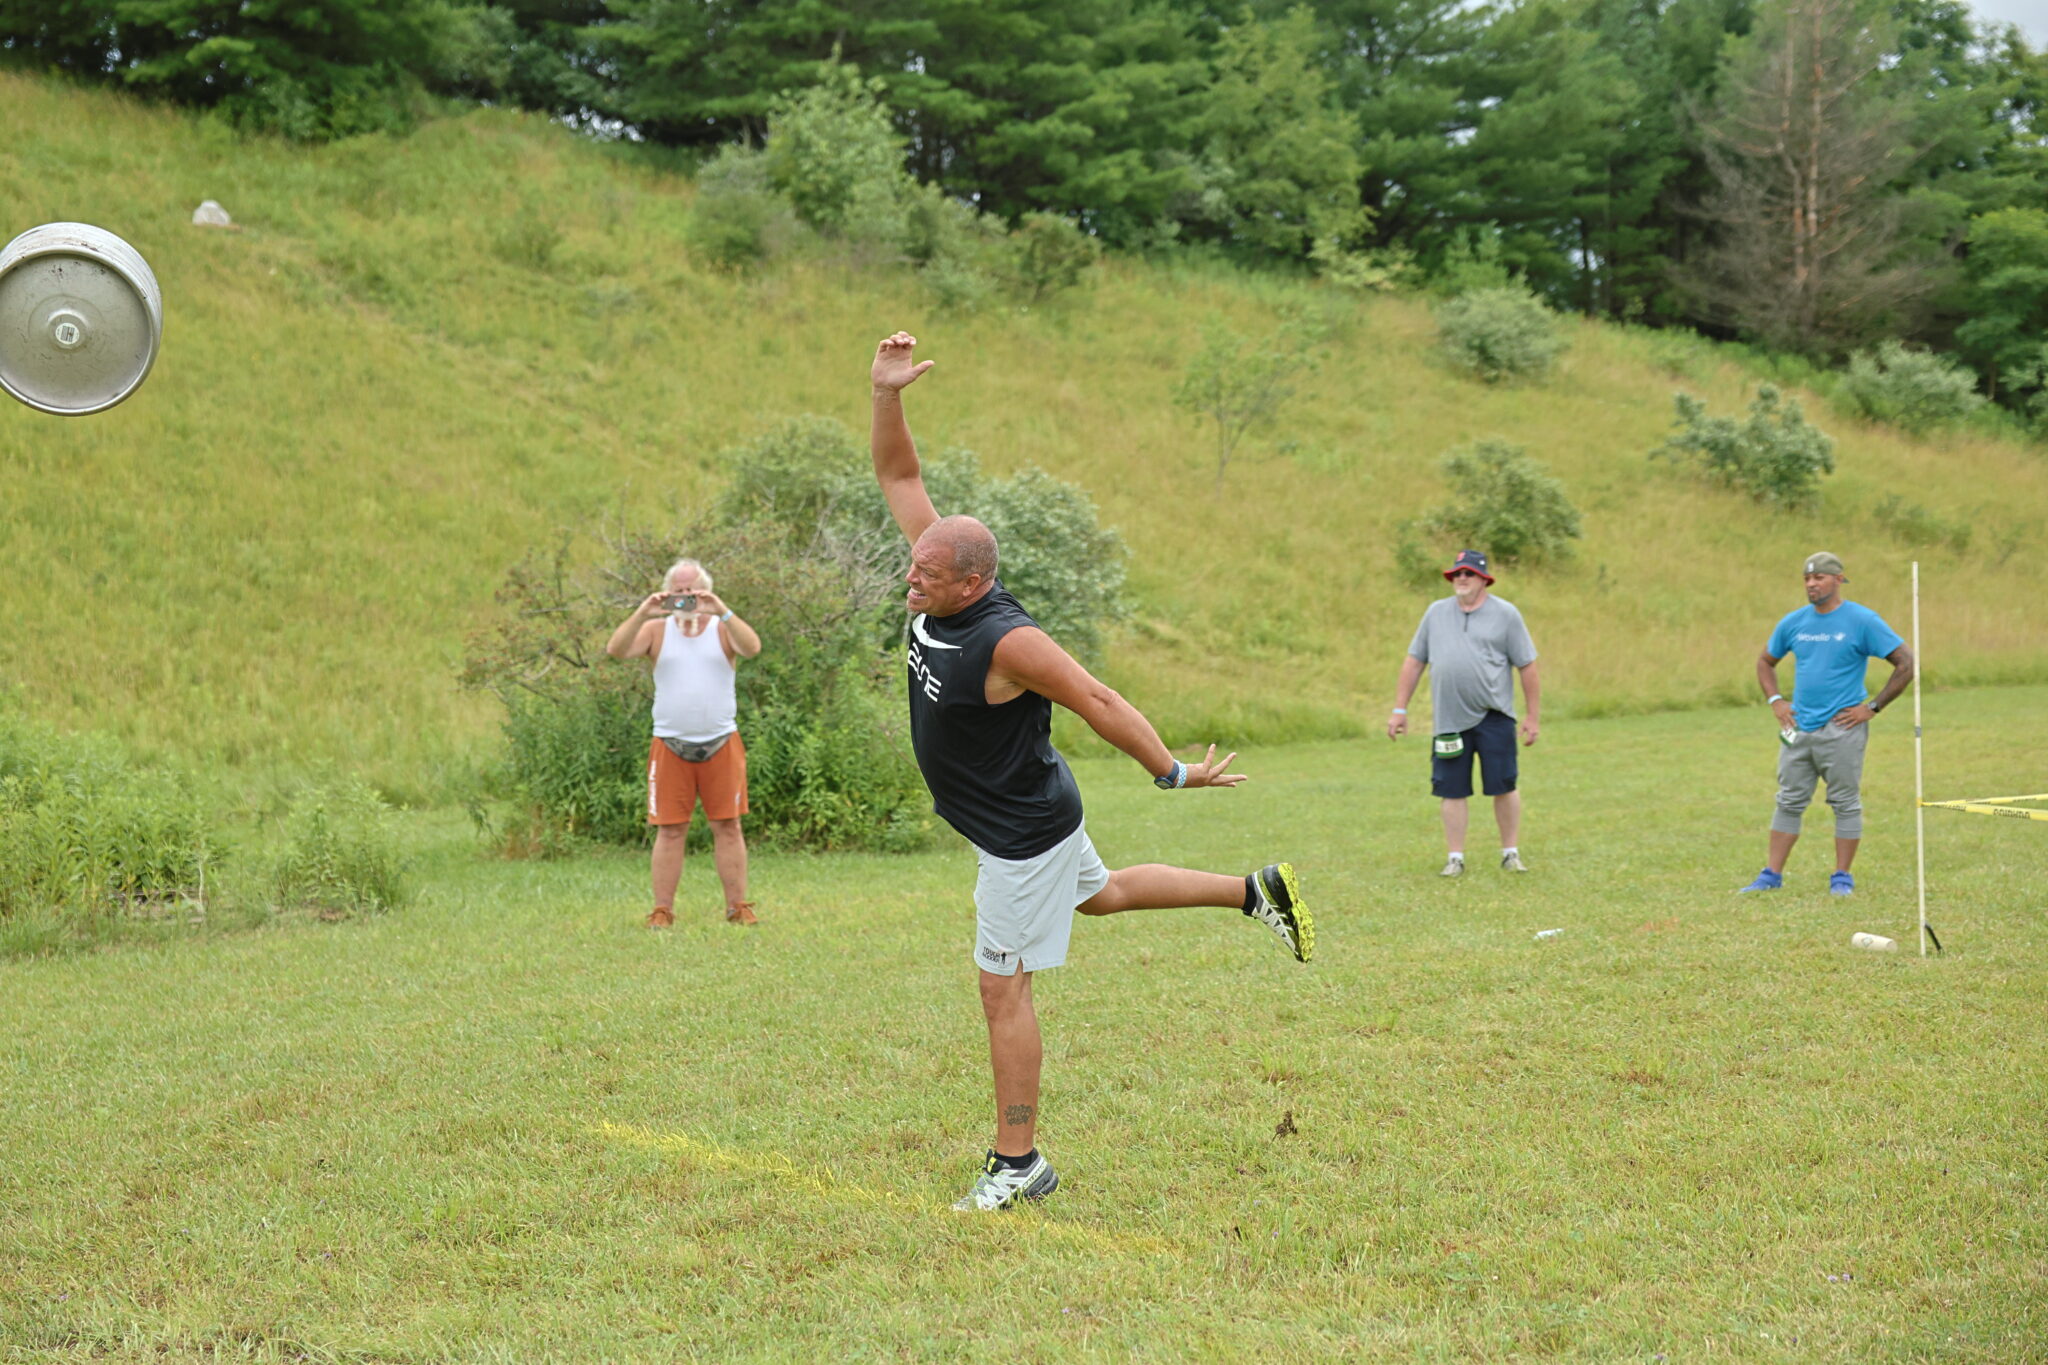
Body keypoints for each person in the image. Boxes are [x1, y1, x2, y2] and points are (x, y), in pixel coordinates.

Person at [867, 330, 1314, 1214]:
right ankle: (1255, 891)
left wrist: (1171, 771)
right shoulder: (937, 560)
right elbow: (899, 479)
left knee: (1004, 989)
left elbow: (1100, 701)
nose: (908, 576)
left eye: (927, 573)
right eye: (914, 564)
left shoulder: (1009, 640)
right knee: (1100, 895)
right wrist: (888, 393)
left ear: (972, 580)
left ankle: (1017, 1160)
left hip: (1018, 832)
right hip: (1031, 809)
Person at [1738, 551, 1914, 897]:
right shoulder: (1794, 622)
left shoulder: (1862, 620)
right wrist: (1776, 701)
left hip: (1843, 729)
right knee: (1788, 799)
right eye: (1806, 578)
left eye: (1819, 577)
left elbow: (1905, 663)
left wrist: (1873, 707)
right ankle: (1771, 875)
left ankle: (1841, 878)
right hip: (1800, 727)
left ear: (1838, 579)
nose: (1811, 584)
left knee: (1845, 802)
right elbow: (1765, 661)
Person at [605, 558, 764, 927]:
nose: (685, 597)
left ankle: (737, 906)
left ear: (704, 590)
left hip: (722, 741)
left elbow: (752, 647)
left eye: (691, 590)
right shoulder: (657, 631)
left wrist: (721, 610)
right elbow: (616, 650)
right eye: (678, 591)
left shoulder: (721, 629)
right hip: (670, 744)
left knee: (728, 825)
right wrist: (643, 611)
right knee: (670, 829)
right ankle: (662, 910)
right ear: (667, 593)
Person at [1386, 549, 1541, 876]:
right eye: (1456, 574)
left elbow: (1527, 665)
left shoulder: (1506, 614)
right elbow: (1415, 661)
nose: (1461, 579)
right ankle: (1455, 858)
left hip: (1494, 716)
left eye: (1468, 574)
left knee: (1504, 784)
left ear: (1484, 579)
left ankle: (1510, 852)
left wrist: (1532, 717)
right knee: (1451, 789)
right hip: (1448, 721)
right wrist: (1400, 709)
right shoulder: (1435, 613)